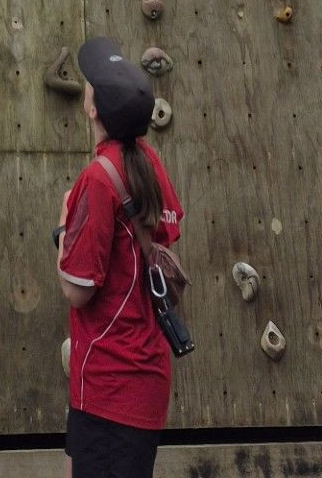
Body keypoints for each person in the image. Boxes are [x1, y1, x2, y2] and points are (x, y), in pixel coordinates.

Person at [55, 37, 184, 478]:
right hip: (145, 375)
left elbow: (78, 290)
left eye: (90, 83)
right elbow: (167, 231)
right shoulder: (149, 162)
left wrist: (63, 230)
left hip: (109, 381)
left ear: (93, 109)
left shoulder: (98, 179)